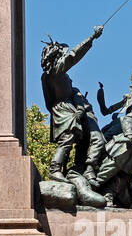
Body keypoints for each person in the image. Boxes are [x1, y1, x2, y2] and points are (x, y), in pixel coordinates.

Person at [40, 26, 105, 183]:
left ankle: (79, 168)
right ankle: (55, 170)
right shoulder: (56, 71)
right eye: (61, 54)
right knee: (68, 138)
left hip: (69, 107)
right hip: (64, 109)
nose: (64, 55)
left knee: (82, 138)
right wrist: (91, 39)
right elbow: (74, 56)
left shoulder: (53, 75)